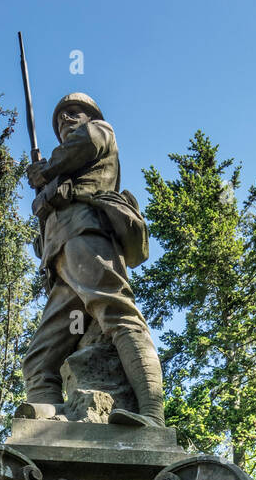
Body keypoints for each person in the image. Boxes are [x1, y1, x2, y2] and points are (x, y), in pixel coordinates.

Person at [21, 93, 165, 427]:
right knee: (39, 358)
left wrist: (45, 172)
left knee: (118, 314)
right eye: (60, 118)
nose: (66, 120)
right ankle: (51, 421)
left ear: (90, 116)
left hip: (88, 238)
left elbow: (80, 146)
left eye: (74, 113)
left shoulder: (98, 131)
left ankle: (152, 415)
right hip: (60, 264)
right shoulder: (62, 168)